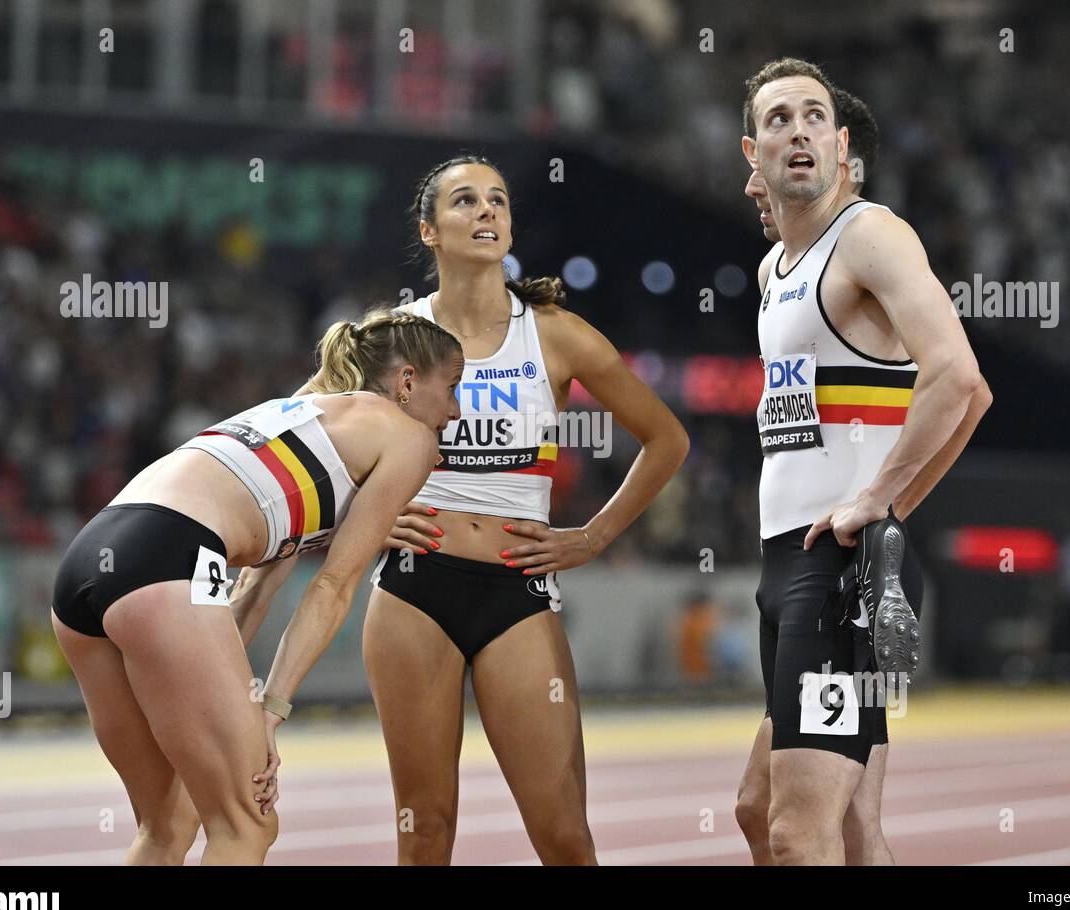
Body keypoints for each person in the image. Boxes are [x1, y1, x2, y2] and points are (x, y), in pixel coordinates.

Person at [360, 155, 689, 865]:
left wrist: (594, 536)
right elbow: (305, 440)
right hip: (416, 590)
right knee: (425, 832)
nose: (487, 212)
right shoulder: (392, 338)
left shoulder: (554, 333)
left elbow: (667, 438)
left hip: (517, 590)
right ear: (430, 230)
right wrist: (362, 519)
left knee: (565, 833)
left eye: (499, 202)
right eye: (466, 201)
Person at [51, 310, 463, 865]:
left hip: (88, 561)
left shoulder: (296, 410)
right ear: (408, 382)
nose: (456, 413)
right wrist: (267, 711)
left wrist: (232, 705)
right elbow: (334, 589)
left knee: (167, 824)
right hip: (169, 563)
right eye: (453, 389)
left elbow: (250, 589)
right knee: (246, 825)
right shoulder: (412, 440)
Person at [736, 58, 993, 865]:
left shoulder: (872, 233)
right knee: (774, 814)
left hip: (838, 577)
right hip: (789, 565)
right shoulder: (774, 270)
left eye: (815, 117)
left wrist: (879, 503)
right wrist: (886, 509)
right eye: (779, 121)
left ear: (842, 146)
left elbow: (961, 381)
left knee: (796, 830)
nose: (799, 131)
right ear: (754, 154)